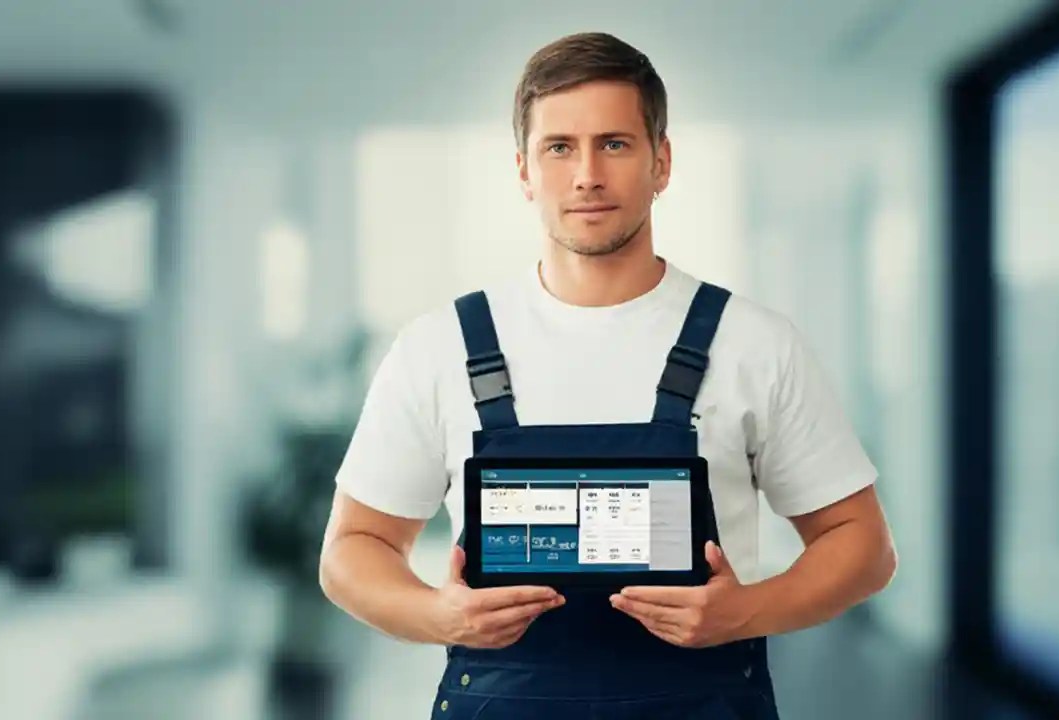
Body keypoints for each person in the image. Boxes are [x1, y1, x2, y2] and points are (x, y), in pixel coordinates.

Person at [319, 31, 897, 719]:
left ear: (662, 161)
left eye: (614, 144)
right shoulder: (438, 348)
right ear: (524, 171)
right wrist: (440, 615)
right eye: (559, 147)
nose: (587, 174)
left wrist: (743, 612)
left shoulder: (754, 343)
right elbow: (352, 551)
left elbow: (862, 546)